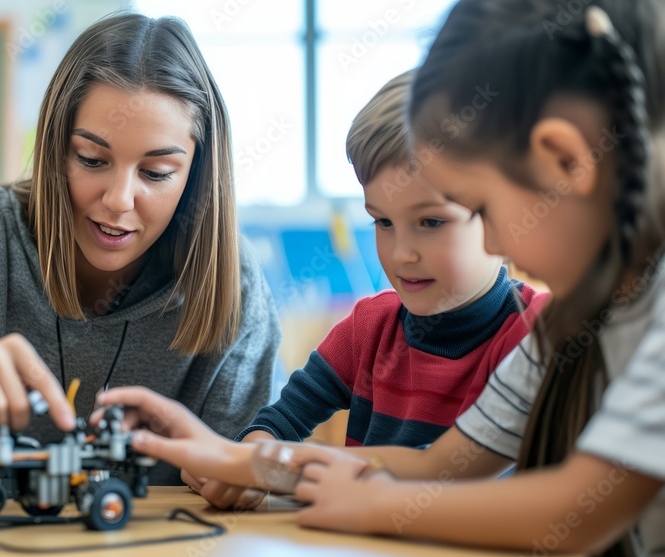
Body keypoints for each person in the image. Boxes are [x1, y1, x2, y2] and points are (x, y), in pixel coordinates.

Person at [98, 0, 665, 557]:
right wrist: (232, 458)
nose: (495, 243)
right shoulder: (569, 326)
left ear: (566, 162)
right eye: (383, 222)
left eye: (482, 209)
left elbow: (577, 511)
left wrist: (377, 508)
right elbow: (437, 465)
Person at [0, 13, 282, 485]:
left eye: (156, 173)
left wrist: (244, 474)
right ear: (56, 148)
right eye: (92, 159)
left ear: (197, 174)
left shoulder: (231, 282)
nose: (119, 199)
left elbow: (250, 473)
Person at [185, 70, 546, 510]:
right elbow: (280, 422)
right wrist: (246, 460)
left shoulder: (534, 335)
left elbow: (440, 476)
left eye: (431, 222)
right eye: (383, 222)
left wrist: (277, 466)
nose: (401, 254)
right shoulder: (368, 328)